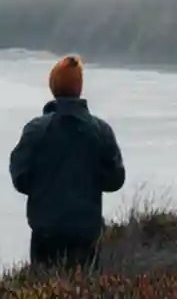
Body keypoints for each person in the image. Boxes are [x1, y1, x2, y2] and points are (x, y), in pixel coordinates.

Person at [9, 54, 126, 268]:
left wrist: (43, 187)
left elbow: (20, 178)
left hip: (46, 232)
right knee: (83, 288)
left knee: (44, 288)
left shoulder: (36, 130)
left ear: (53, 87)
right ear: (79, 87)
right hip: (86, 233)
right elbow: (115, 180)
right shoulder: (100, 131)